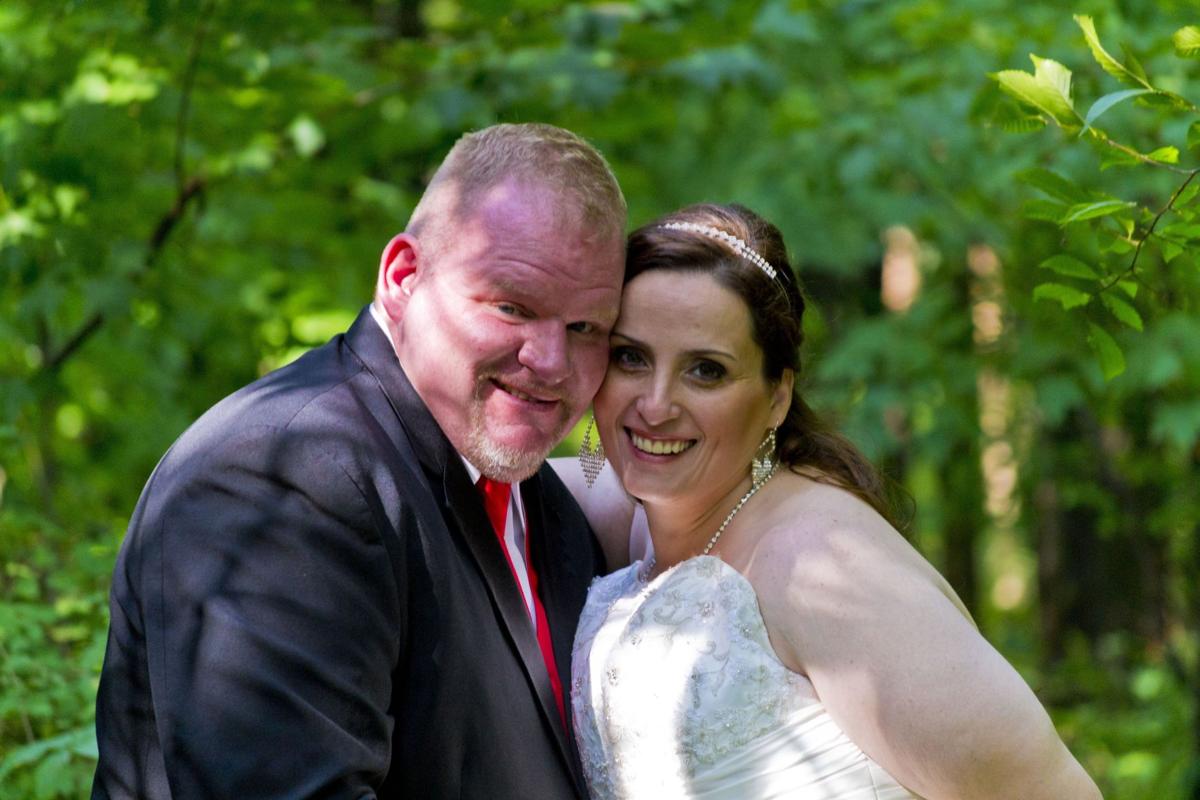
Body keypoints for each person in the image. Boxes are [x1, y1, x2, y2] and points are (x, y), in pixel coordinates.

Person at [91, 123, 627, 799]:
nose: (550, 361)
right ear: (403, 276)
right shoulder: (275, 477)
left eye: (585, 328)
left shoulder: (545, 501)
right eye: (512, 306)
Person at [553, 203, 1102, 799]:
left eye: (706, 371)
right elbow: (505, 474)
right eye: (630, 357)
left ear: (777, 396)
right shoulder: (655, 515)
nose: (656, 405)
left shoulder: (826, 565)